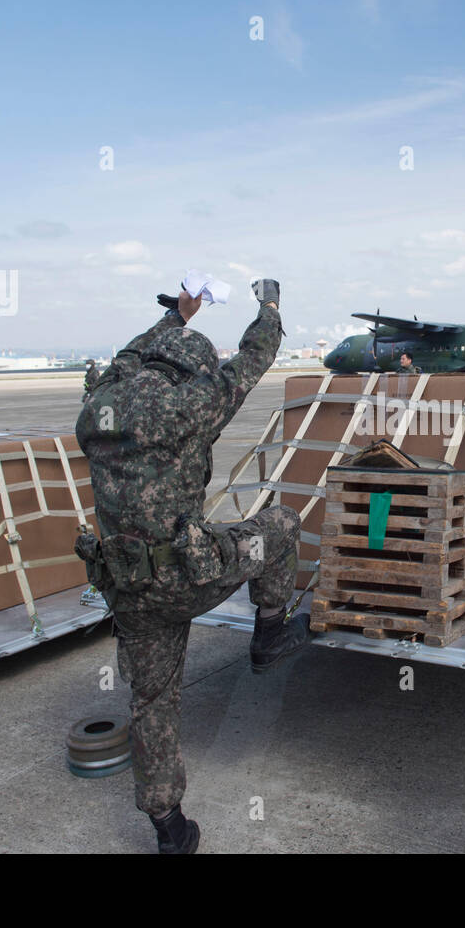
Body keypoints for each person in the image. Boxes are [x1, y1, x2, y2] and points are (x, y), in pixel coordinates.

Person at [75, 269, 310, 854]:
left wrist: (176, 315)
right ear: (191, 369)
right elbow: (255, 359)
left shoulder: (96, 405)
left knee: (152, 700)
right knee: (279, 526)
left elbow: (128, 357)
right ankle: (269, 633)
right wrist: (270, 306)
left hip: (127, 587)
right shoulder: (191, 403)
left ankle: (169, 829)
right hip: (189, 577)